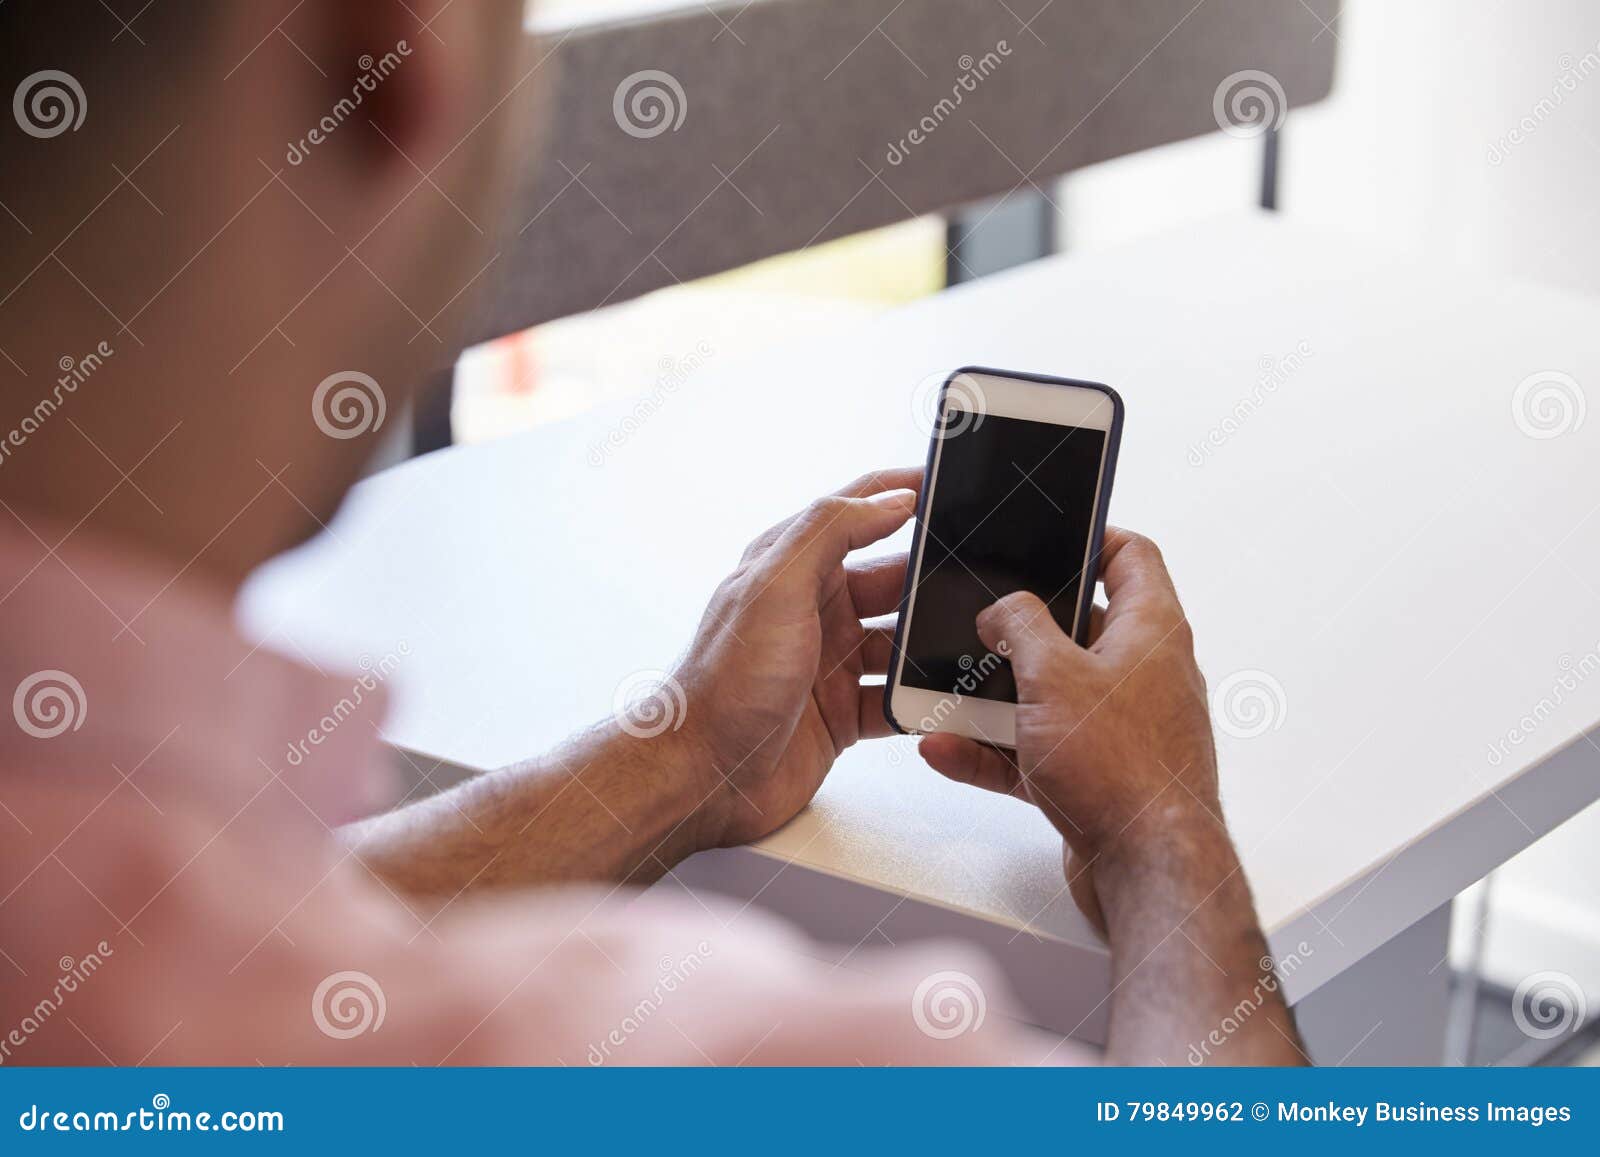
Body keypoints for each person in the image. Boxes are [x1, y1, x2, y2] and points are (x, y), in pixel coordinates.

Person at [0, 2, 1305, 1065]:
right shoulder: (704, 1054)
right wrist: (1165, 841)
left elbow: (219, 943)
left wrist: (685, 753)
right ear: (390, 55)